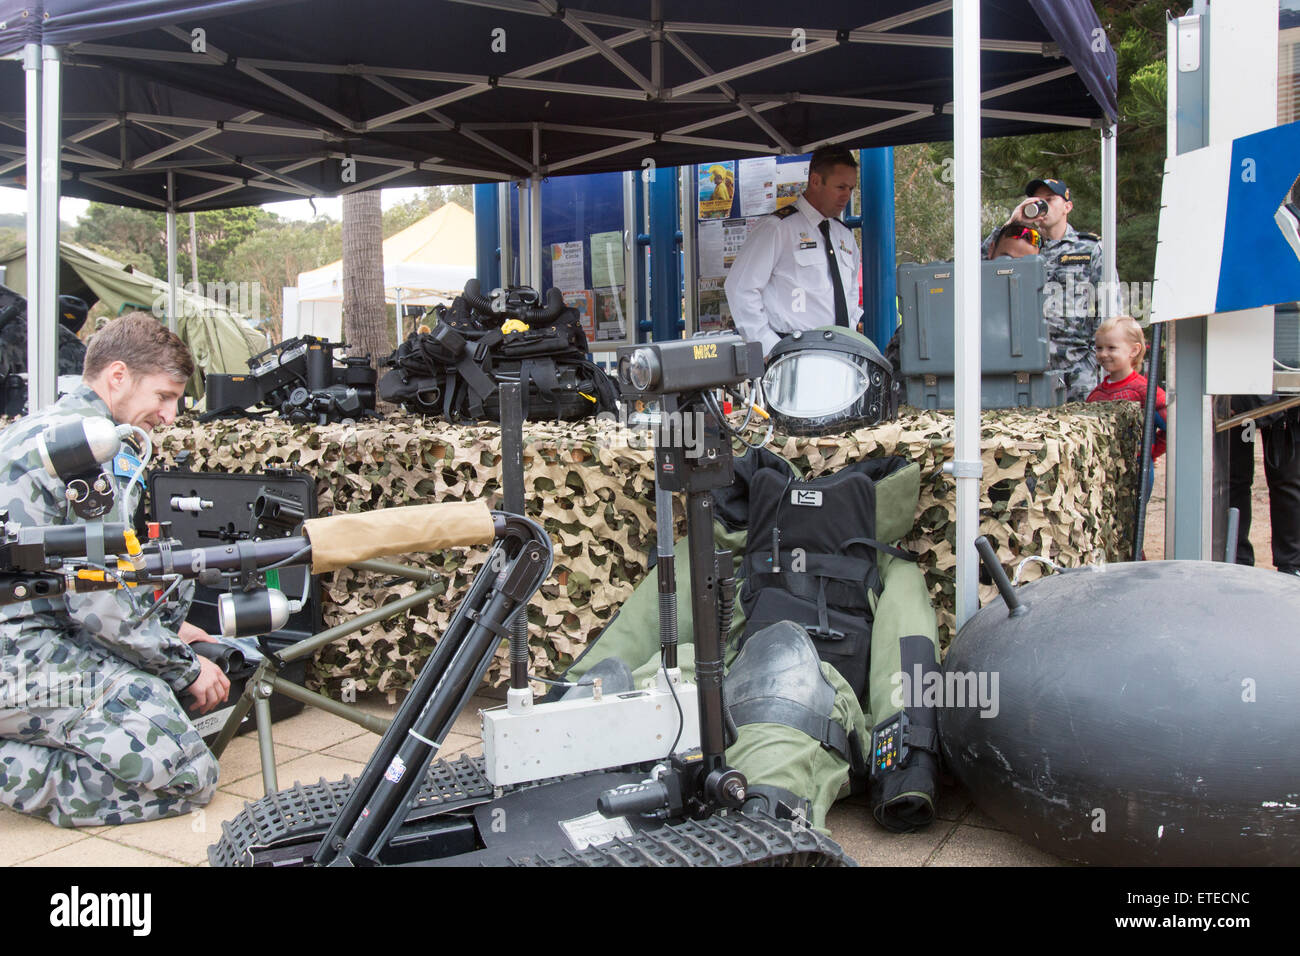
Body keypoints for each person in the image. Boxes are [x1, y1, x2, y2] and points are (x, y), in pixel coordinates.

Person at [0, 312, 228, 827]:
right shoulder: (95, 449)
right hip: (18, 659)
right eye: (165, 396)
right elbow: (98, 603)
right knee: (187, 775)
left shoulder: (37, 428)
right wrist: (186, 667)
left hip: (25, 640)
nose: (170, 415)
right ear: (118, 376)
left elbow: (70, 580)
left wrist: (174, 632)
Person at [725, 146, 862, 356]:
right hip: (792, 352)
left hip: (839, 353)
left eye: (851, 189)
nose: (846, 195)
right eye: (840, 187)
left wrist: (849, 332)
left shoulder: (844, 235)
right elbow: (740, 288)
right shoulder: (778, 228)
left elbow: (851, 292)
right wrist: (771, 348)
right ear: (815, 181)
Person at [987, 179, 1104, 402]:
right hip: (1024, 368)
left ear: (1067, 207)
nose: (1043, 205)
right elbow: (980, 267)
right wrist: (1012, 223)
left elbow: (1107, 311)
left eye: (1050, 200)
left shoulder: (1088, 248)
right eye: (1038, 201)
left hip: (1075, 369)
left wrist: (1092, 362)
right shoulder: (1022, 244)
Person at [1228, 392, 1300, 577]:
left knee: (1286, 479)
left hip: (1284, 400)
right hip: (1245, 411)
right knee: (1237, 479)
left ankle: (1291, 563)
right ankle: (1238, 557)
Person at [1085, 315, 1167, 463]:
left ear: (1134, 350)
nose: (1103, 354)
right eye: (1099, 348)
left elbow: (1172, 426)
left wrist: (1150, 453)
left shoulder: (1144, 391)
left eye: (1111, 348)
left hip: (1135, 475)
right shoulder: (1096, 395)